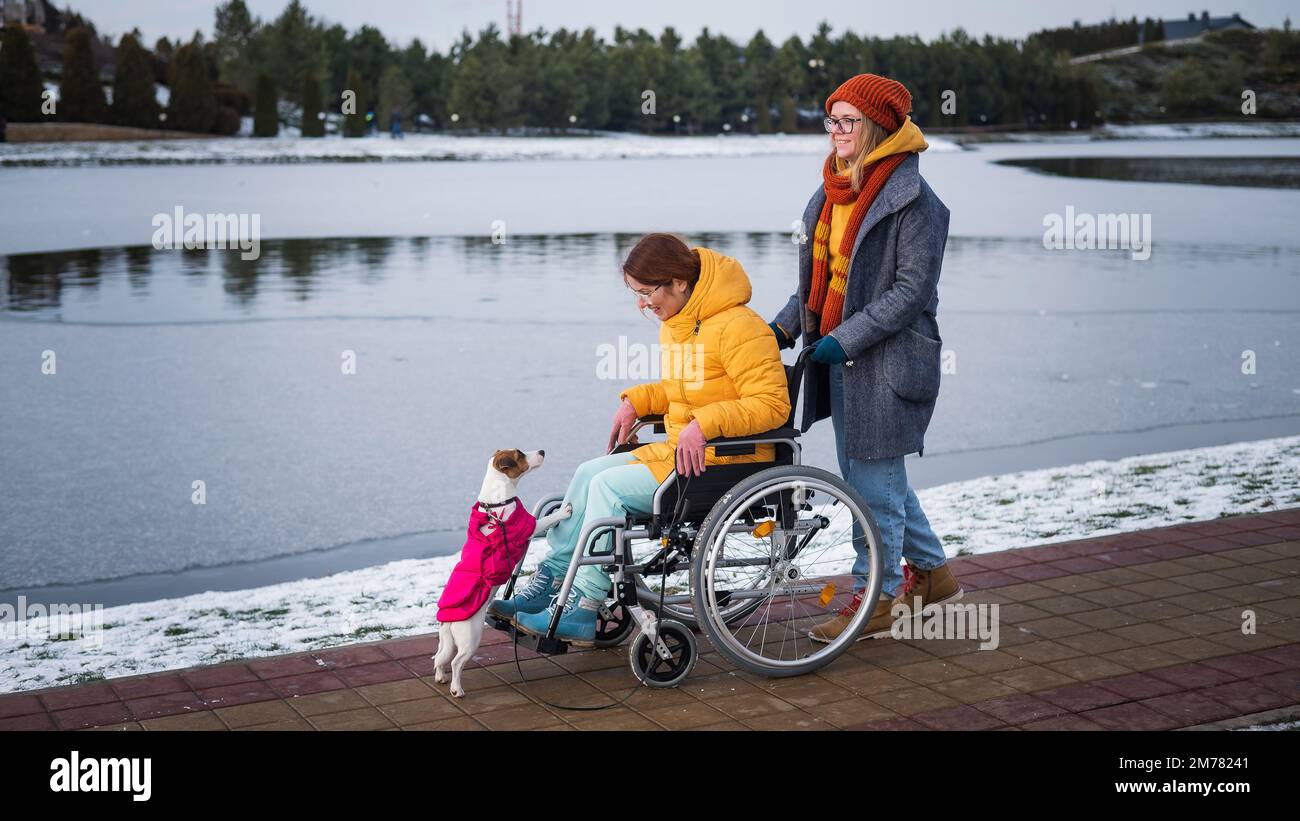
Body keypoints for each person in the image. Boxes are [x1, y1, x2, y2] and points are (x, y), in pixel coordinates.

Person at [493, 232, 791, 644]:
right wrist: (636, 401)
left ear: (679, 283)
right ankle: (552, 581)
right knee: (587, 472)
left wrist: (705, 424)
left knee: (607, 488)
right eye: (636, 294)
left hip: (729, 459)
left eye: (647, 292)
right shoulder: (678, 324)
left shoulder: (741, 327)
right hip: (683, 452)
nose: (642, 304)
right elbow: (681, 390)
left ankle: (584, 605)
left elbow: (772, 405)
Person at [768, 73, 962, 643]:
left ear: (878, 126)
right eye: (832, 120)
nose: (837, 132)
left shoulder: (918, 203)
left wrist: (842, 339)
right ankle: (934, 573)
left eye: (849, 121)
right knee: (874, 476)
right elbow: (814, 282)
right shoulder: (829, 194)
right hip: (842, 359)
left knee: (872, 485)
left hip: (889, 363)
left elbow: (909, 294)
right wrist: (781, 328)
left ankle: (877, 598)